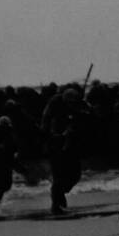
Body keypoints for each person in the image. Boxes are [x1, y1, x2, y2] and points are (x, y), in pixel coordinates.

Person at [42, 86, 86, 214]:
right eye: (70, 102)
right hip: (56, 145)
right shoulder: (54, 108)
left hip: (71, 146)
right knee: (59, 177)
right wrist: (54, 137)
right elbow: (46, 124)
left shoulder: (77, 107)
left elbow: (85, 116)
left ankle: (59, 197)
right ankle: (57, 205)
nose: (72, 104)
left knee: (75, 175)